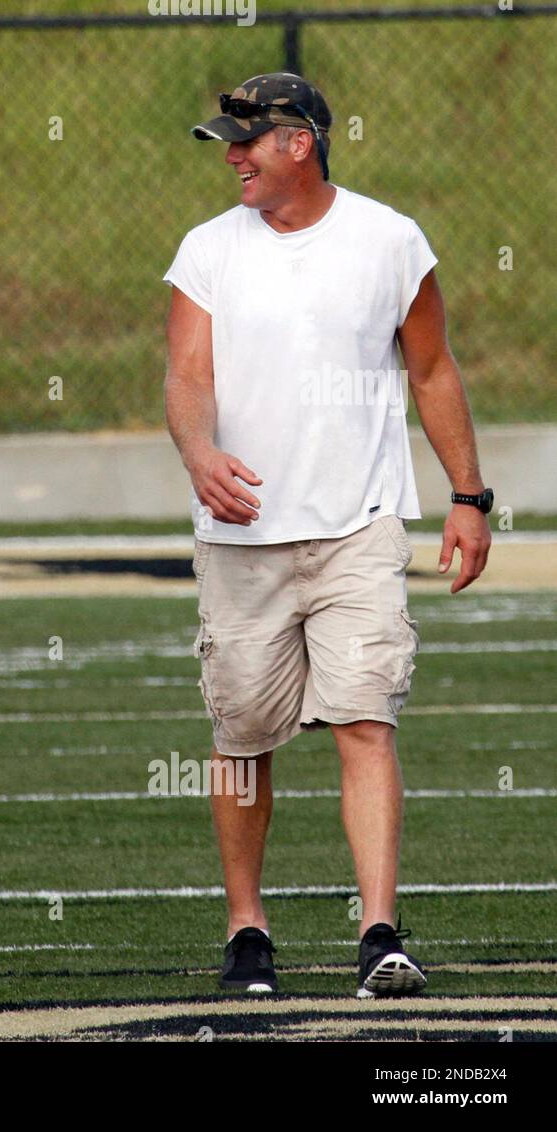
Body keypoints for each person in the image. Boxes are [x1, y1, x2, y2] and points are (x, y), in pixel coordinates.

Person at [162, 74, 492, 998]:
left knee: (366, 721)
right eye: (227, 142)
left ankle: (379, 932)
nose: (231, 156)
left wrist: (470, 494)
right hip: (242, 537)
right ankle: (247, 934)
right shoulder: (207, 251)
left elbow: (430, 370)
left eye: (246, 141)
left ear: (299, 143)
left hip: (359, 525)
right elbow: (187, 376)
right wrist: (198, 453)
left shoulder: (390, 240)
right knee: (240, 738)